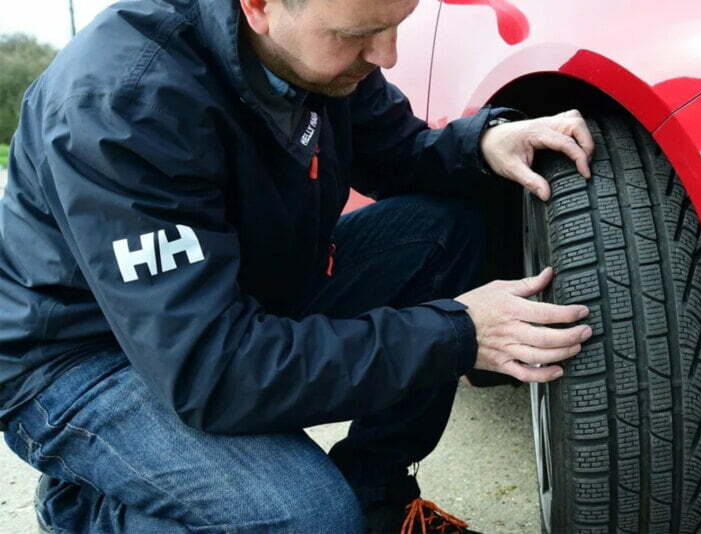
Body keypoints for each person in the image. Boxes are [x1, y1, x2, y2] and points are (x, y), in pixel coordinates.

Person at [0, 0, 597, 531]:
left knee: (446, 233)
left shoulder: (313, 55)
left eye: (397, 25)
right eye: (358, 33)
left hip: (238, 291)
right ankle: (87, 506)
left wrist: (481, 143)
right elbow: (215, 372)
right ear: (258, 7)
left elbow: (397, 152)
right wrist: (458, 334)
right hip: (82, 356)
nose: (384, 54)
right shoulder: (125, 106)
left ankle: (377, 498)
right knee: (306, 516)